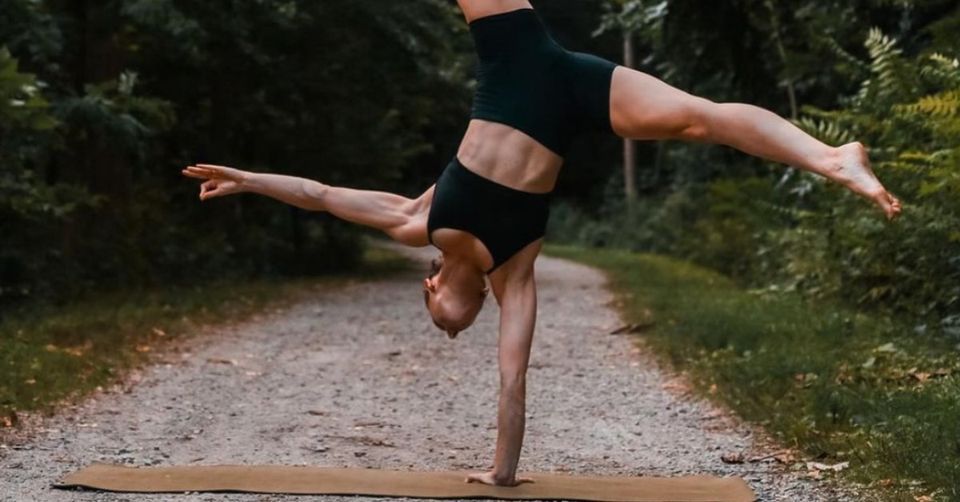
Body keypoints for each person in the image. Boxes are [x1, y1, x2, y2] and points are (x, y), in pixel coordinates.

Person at [182, 0, 902, 488]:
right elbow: (512, 385)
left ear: (429, 285)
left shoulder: (417, 223)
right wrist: (501, 472)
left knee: (702, 118)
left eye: (439, 326)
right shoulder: (514, 276)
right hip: (569, 96)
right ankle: (832, 159)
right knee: (697, 120)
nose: (449, 333)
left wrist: (247, 178)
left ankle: (832, 157)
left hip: (513, 57)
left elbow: (321, 195)